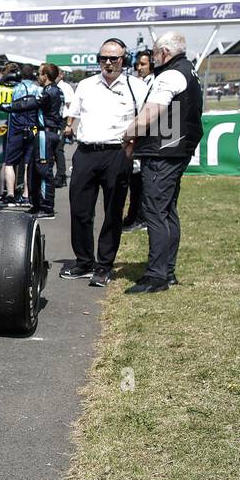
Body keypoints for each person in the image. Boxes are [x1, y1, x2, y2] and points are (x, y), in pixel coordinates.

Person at [60, 38, 149, 288]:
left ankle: (104, 265)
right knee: (79, 210)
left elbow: (148, 118)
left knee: (112, 211)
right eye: (103, 58)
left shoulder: (137, 86)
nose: (108, 63)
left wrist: (133, 148)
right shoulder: (86, 85)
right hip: (86, 152)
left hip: (117, 154)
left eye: (114, 58)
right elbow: (74, 116)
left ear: (124, 60)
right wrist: (69, 130)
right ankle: (83, 261)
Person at [122, 32, 203, 294]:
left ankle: (156, 276)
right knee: (168, 212)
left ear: (165, 53)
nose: (152, 57)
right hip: (176, 149)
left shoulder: (169, 75)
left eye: (155, 53)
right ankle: (166, 272)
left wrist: (126, 134)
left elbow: (149, 115)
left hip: (163, 152)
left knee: (156, 212)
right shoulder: (189, 71)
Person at [0, 62, 64, 219]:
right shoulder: (54, 90)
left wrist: (9, 107)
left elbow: (31, 102)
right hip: (43, 133)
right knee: (32, 170)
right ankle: (36, 204)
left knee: (43, 171)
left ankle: (46, 207)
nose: (38, 77)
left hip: (46, 133)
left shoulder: (50, 91)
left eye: (40, 73)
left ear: (45, 76)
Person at [122, 50, 156, 233]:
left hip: (145, 138)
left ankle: (141, 218)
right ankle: (133, 214)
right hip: (136, 136)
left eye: (143, 64)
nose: (139, 68)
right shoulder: (138, 82)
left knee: (140, 183)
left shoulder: (154, 83)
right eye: (137, 64)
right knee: (134, 181)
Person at [0, 63, 41, 206]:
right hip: (33, 128)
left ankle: (10, 194)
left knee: (10, 162)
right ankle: (26, 195)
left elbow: (7, 107)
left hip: (15, 128)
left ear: (20, 75)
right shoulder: (39, 90)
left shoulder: (14, 89)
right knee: (28, 163)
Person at [53, 67, 76, 188]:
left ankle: (61, 176)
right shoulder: (54, 87)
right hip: (56, 120)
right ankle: (58, 176)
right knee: (55, 150)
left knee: (58, 149)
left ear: (61, 75)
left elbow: (71, 106)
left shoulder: (65, 88)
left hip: (63, 120)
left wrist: (68, 125)